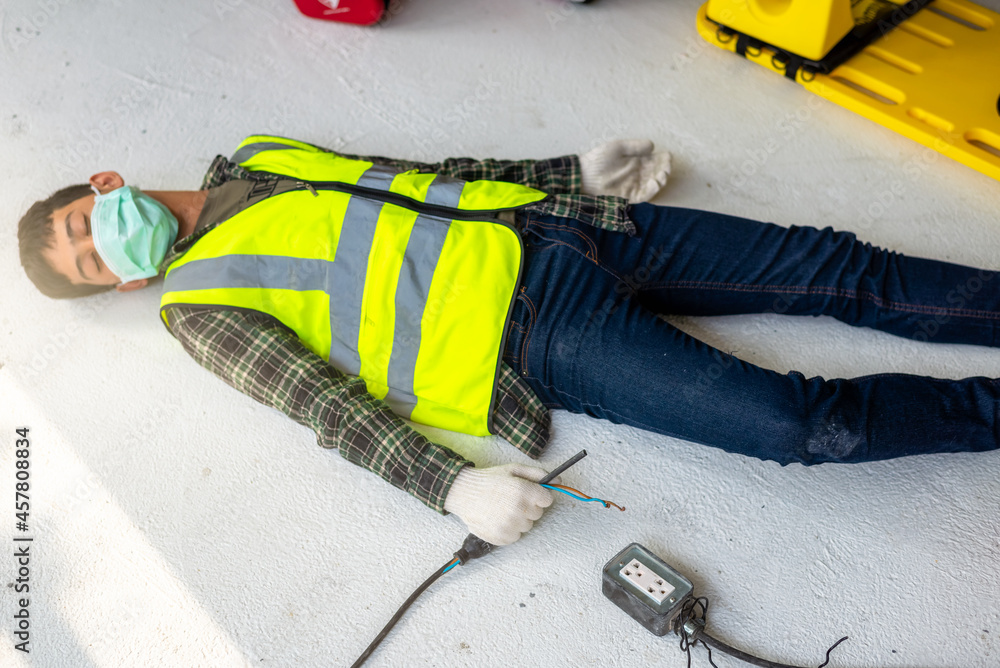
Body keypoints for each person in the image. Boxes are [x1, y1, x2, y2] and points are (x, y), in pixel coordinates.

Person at [17, 135, 1000, 547]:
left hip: (557, 228)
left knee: (832, 264)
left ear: (103, 188)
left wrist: (567, 169)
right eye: (94, 269)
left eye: (84, 233)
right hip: (541, 338)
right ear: (126, 282)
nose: (107, 253)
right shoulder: (194, 303)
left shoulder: (259, 155)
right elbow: (321, 404)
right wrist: (446, 484)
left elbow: (416, 171)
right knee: (796, 424)